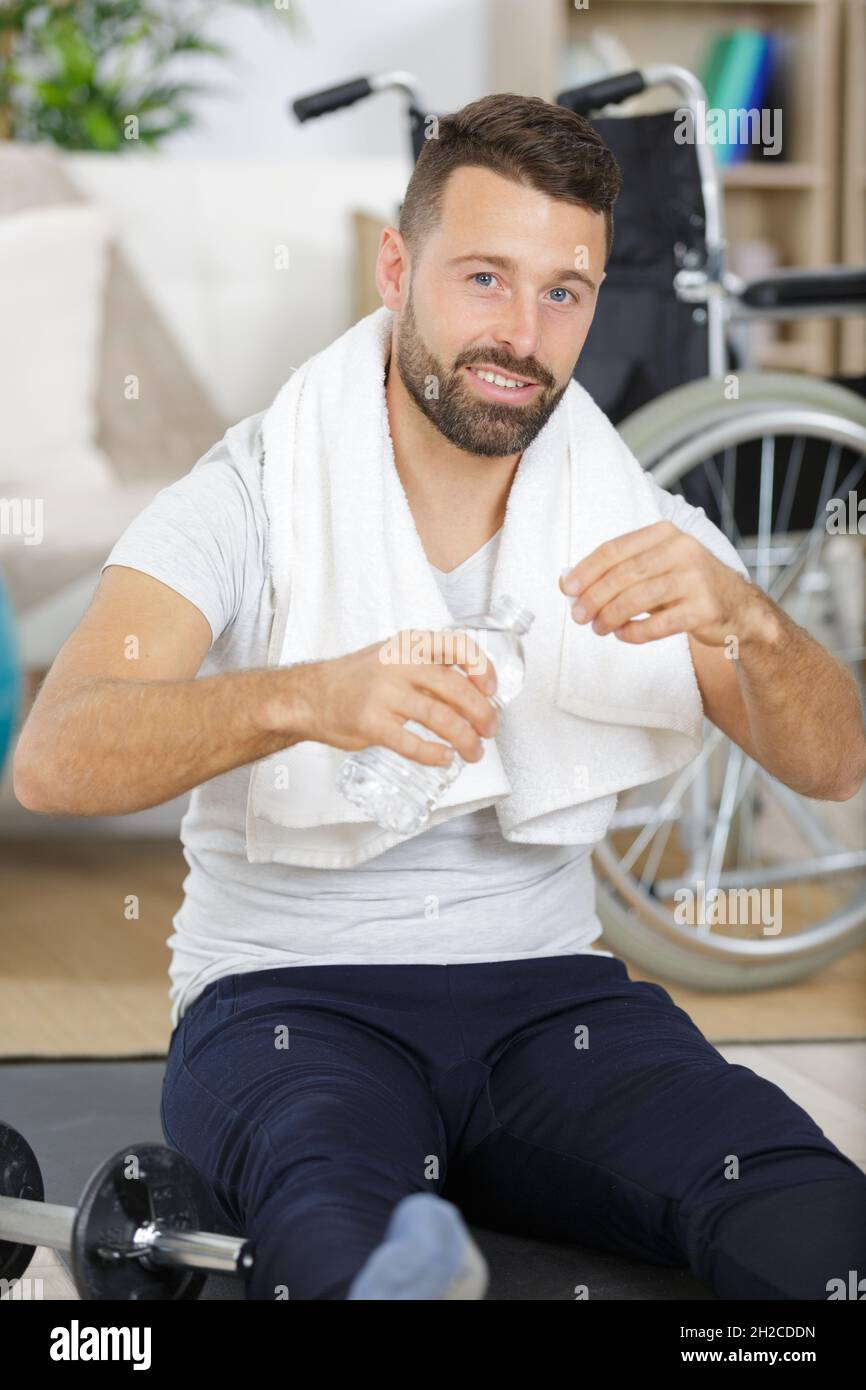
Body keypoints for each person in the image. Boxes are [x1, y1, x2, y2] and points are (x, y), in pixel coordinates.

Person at [14, 94, 866, 1301]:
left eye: (560, 292)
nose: (520, 334)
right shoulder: (246, 494)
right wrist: (311, 698)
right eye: (482, 277)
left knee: (798, 1195)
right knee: (329, 1217)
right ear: (396, 267)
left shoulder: (641, 528)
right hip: (289, 1000)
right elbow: (56, 756)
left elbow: (834, 763)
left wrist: (748, 618)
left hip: (551, 1000)